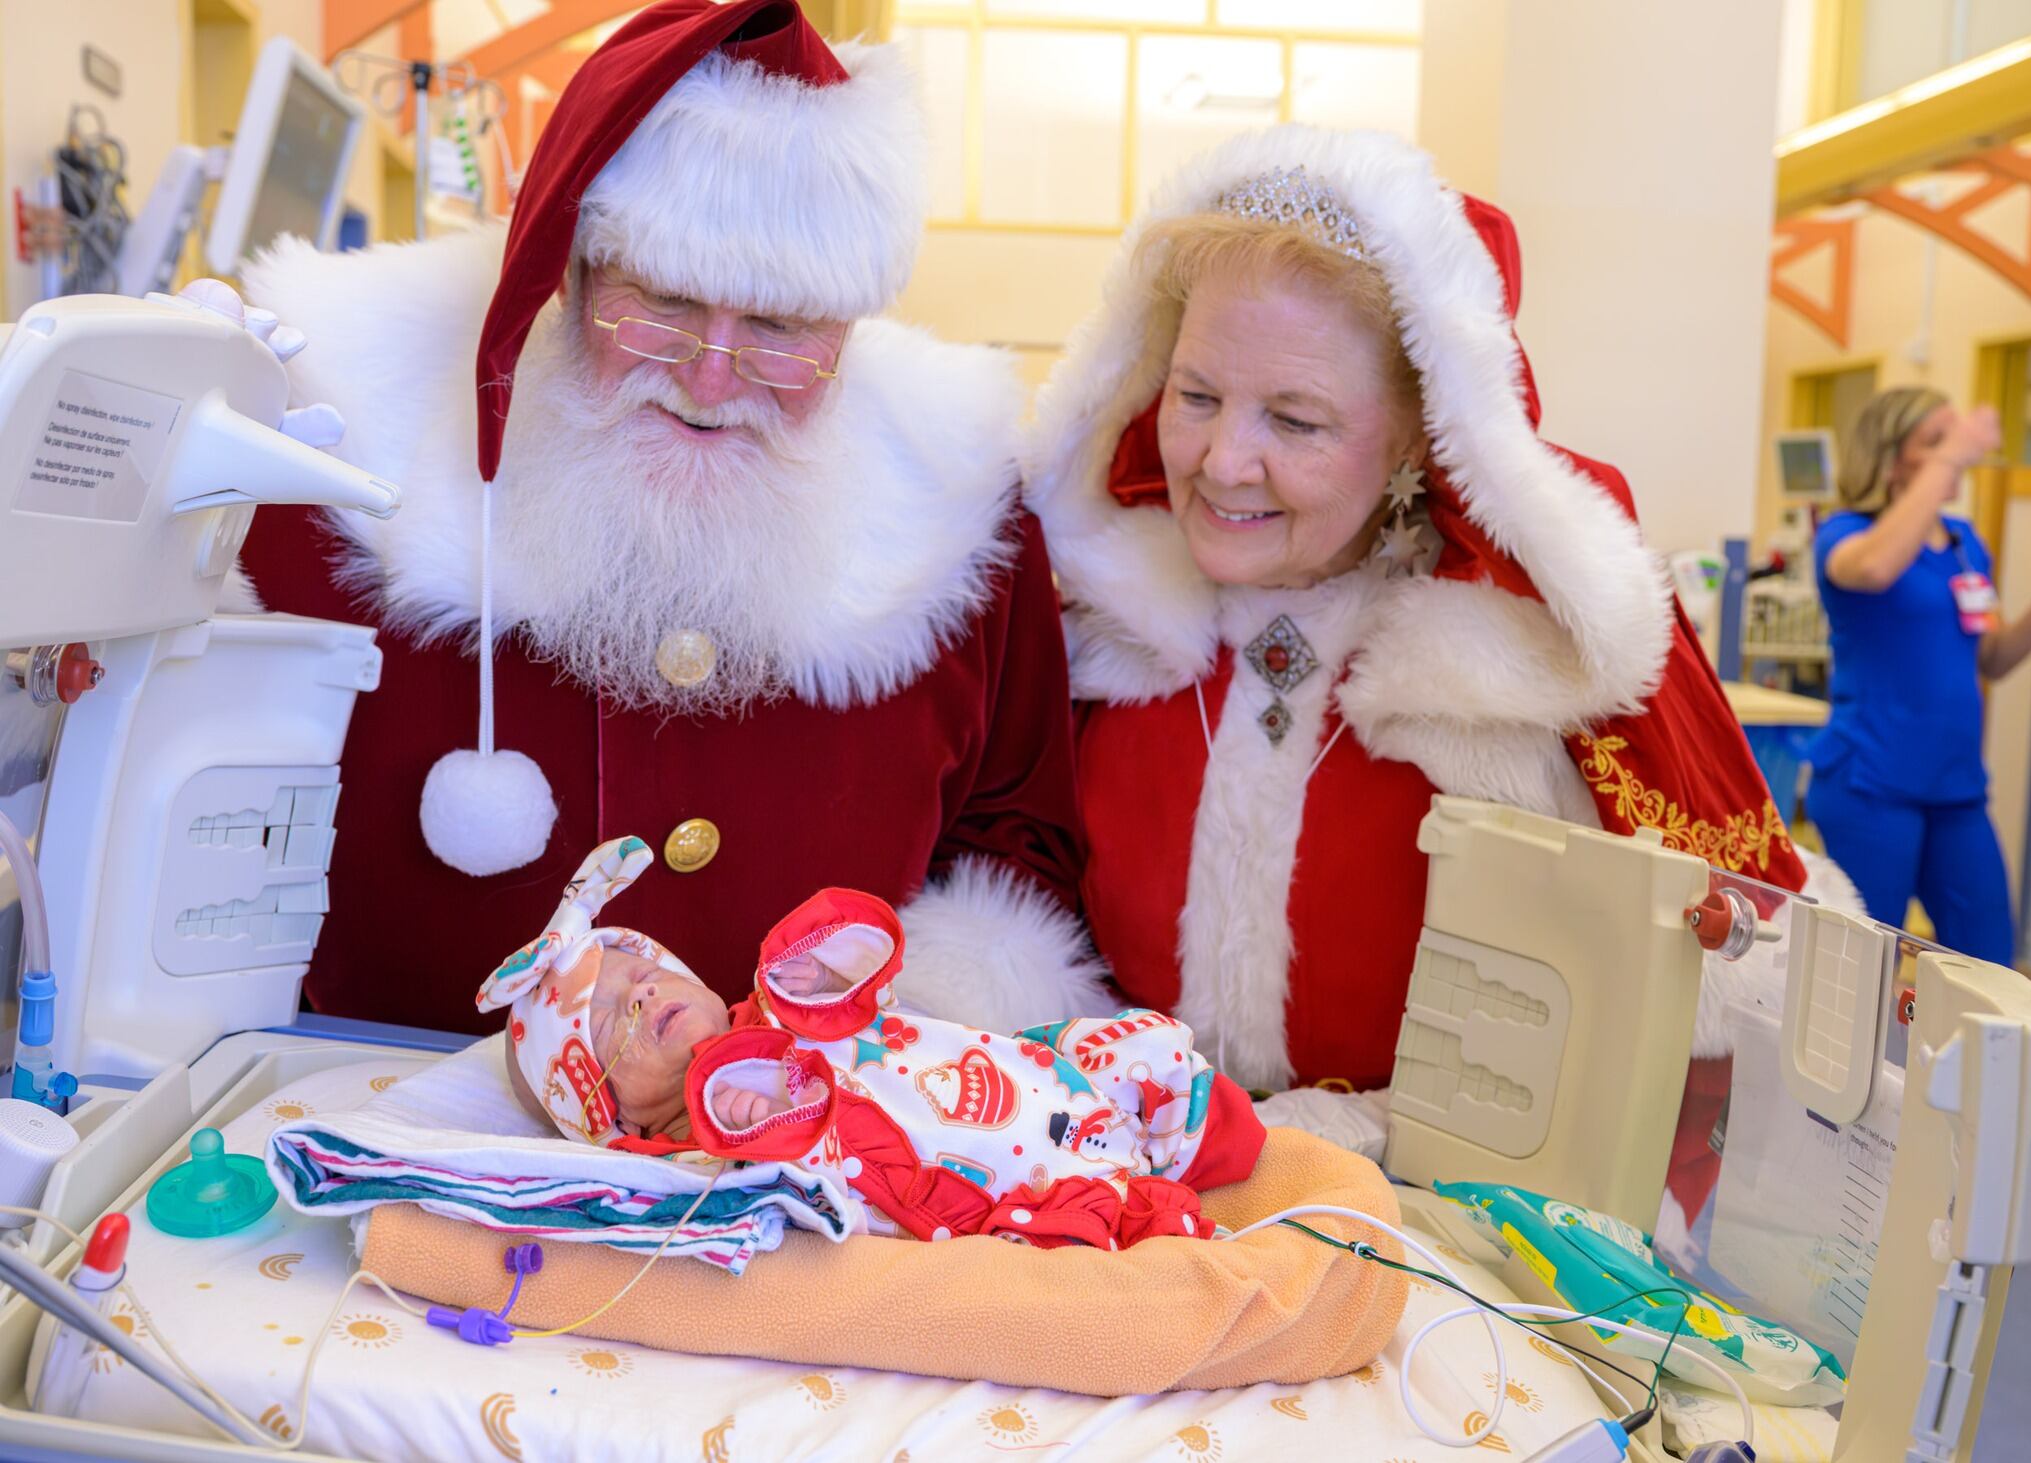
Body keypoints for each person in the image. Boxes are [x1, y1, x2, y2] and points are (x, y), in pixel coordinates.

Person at [233, 0, 1105, 1037]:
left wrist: (877, 1060)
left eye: (778, 327)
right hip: (375, 1115)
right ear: (571, 271)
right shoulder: (325, 446)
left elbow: (1016, 841)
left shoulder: (959, 506)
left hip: (797, 1153)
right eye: (663, 303)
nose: (708, 375)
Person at [1025, 128, 1828, 1105]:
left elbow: (1632, 1053)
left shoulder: (1514, 688)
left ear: (1419, 435)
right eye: (1195, 395)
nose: (1222, 461)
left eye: (1293, 419)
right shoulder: (1096, 636)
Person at [481, 837, 1265, 1251]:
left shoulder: (774, 998)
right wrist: (744, 1132)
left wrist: (818, 962)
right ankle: (1158, 1204)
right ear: (619, 1120)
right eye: (611, 1018)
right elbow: (777, 1199)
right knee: (1087, 1231)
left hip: (1012, 1076)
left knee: (1127, 1062)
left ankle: (1204, 1142)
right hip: (987, 1182)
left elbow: (863, 969)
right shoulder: (694, 1157)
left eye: (642, 969)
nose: (642, 990)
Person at [1807, 388, 2031, 964]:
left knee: (1990, 963)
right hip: (1870, 784)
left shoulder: (1965, 547)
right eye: (1935, 442)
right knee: (1860, 972)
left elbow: (1992, 657)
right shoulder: (1845, 535)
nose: (1955, 457)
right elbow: (1872, 568)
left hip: (1956, 789)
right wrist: (1954, 456)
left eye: (1954, 440)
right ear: (1892, 459)